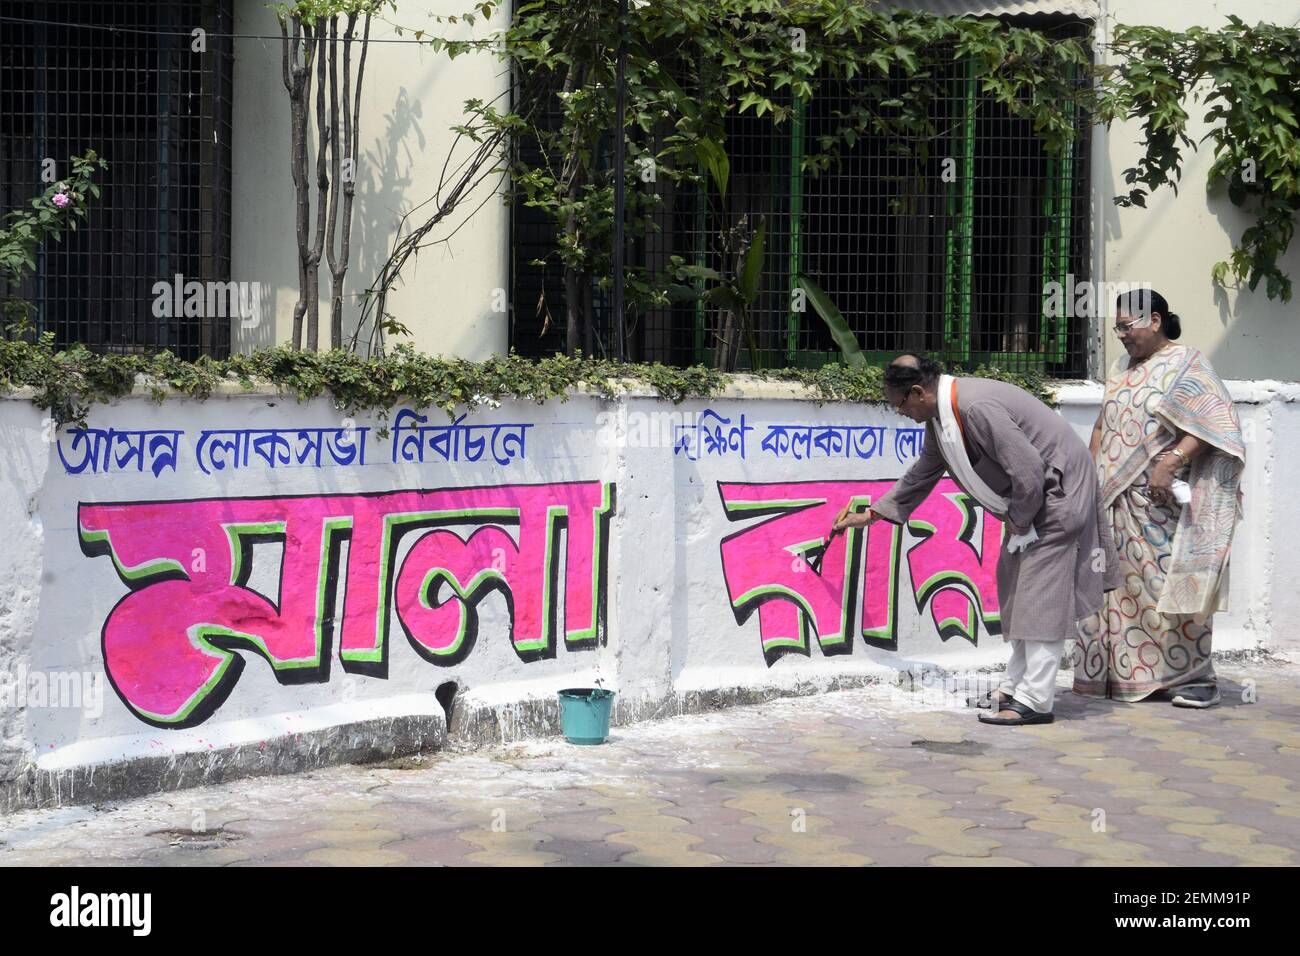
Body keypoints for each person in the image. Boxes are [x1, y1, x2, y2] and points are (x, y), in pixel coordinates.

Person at [830, 354, 1120, 725]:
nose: (901, 413)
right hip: (1032, 505)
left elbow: (1029, 470)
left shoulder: (975, 407)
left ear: (918, 392)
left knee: (1041, 599)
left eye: (899, 404)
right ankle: (1015, 687)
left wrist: (1018, 520)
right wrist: (872, 515)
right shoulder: (943, 415)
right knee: (1017, 591)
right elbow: (924, 473)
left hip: (1057, 496)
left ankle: (1036, 700)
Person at [1073, 289, 1244, 708]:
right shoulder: (1121, 368)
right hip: (1111, 500)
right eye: (1117, 329)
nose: (1122, 337)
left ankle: (1194, 678)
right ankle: (1129, 675)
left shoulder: (1187, 364)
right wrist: (1088, 476)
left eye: (1126, 327)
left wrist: (1171, 461)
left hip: (1158, 504)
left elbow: (1216, 422)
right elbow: (1103, 425)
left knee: (1166, 587)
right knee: (1118, 590)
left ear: (1153, 319)